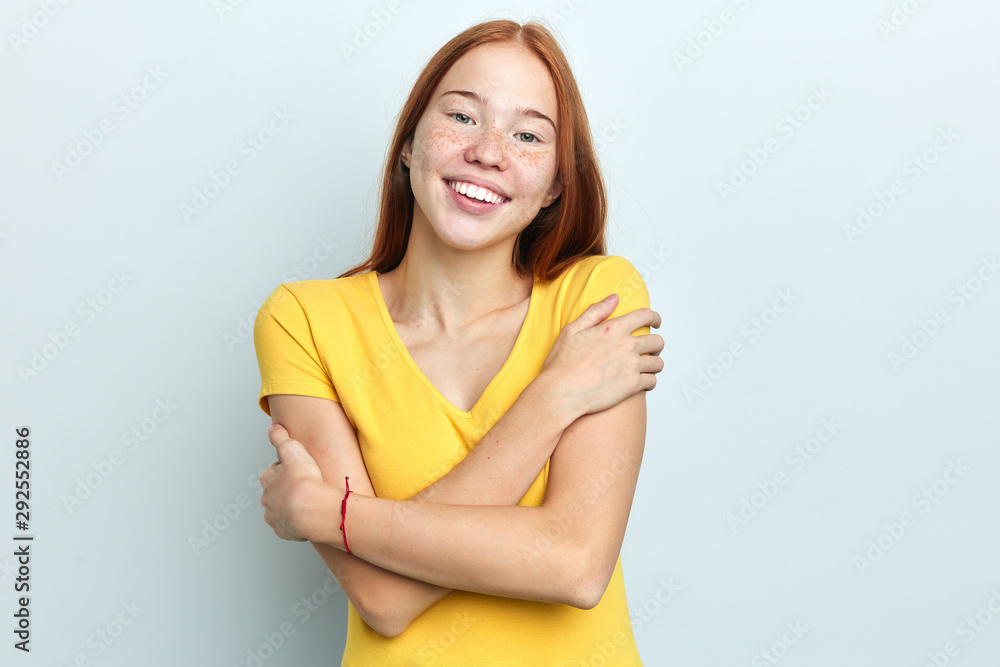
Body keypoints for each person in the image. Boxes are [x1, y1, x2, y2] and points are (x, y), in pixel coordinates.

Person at [253, 18, 664, 666]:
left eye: (527, 134)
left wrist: (321, 510)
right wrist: (552, 397)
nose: (489, 152)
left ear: (556, 182)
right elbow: (384, 599)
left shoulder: (597, 296)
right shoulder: (304, 319)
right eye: (464, 117)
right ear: (410, 143)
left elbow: (576, 562)